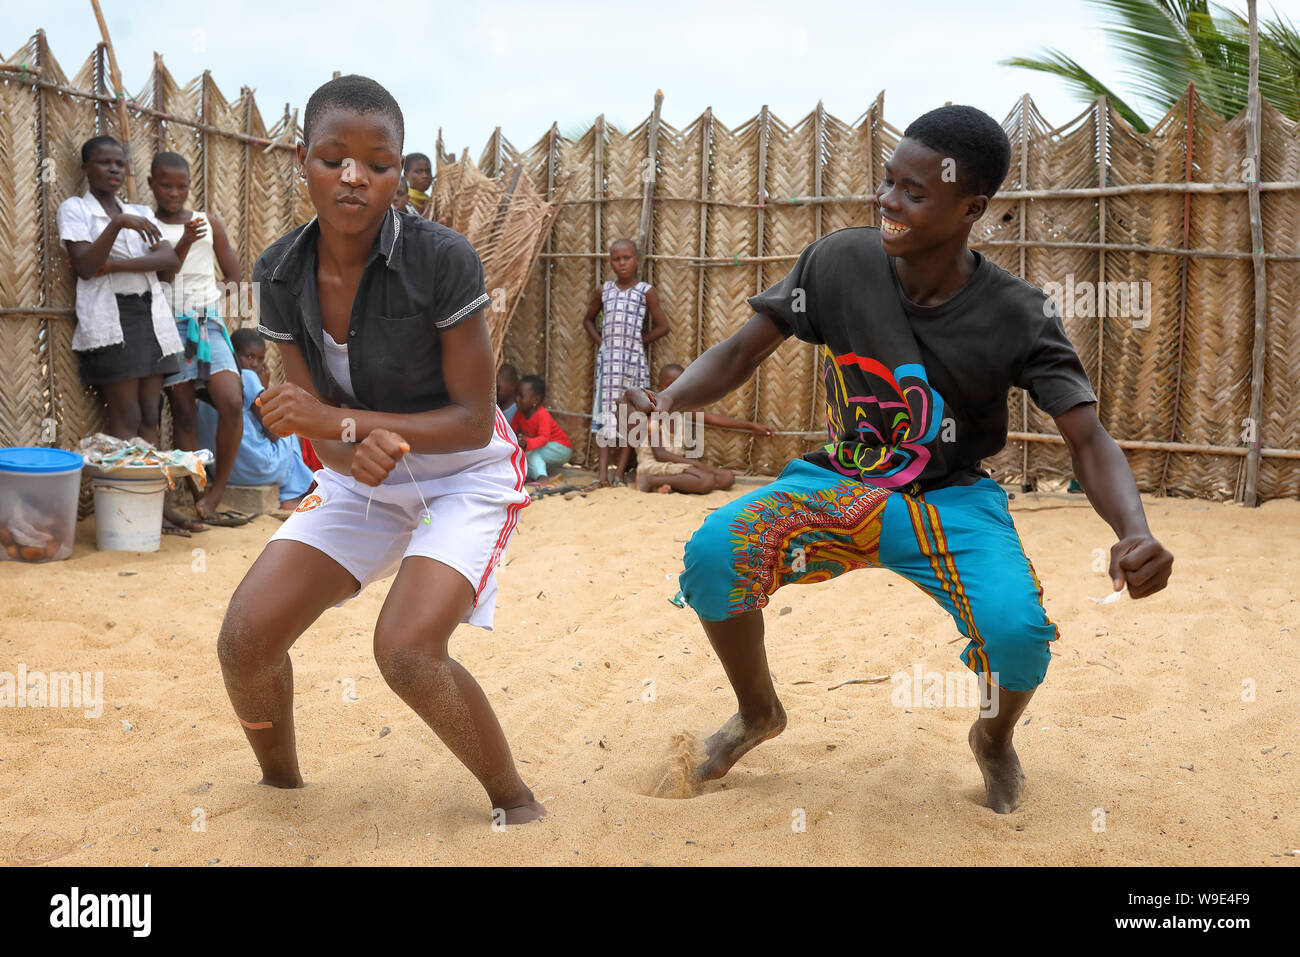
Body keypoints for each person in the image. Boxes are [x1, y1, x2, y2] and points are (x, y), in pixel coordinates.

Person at [623, 105, 1174, 814]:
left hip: (949, 498)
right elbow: (740, 350)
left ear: (971, 208)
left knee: (1018, 634)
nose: (887, 201)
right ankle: (758, 712)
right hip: (840, 482)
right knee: (713, 555)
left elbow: (1088, 438)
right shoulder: (838, 262)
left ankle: (995, 737)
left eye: (914, 192)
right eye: (888, 182)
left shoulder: (1018, 313)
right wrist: (669, 398)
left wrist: (1133, 529)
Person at [217, 75, 542, 825]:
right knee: (245, 637)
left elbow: (469, 418)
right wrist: (347, 440)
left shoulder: (443, 260)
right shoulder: (279, 273)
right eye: (334, 158)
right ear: (303, 159)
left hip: (465, 474)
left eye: (379, 163)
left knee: (404, 650)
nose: (355, 177)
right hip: (363, 474)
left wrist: (347, 426)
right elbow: (320, 435)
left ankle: (515, 803)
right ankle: (282, 792)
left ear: (401, 172)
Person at [57, 136, 184, 465]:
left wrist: (111, 265)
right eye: (103, 162)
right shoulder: (76, 209)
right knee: (126, 415)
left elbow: (168, 260)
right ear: (86, 168)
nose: (113, 169)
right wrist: (116, 225)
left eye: (118, 163)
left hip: (150, 315)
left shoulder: (139, 211)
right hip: (111, 318)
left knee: (149, 414)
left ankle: (153, 498)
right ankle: (125, 498)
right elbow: (85, 266)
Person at [149, 152, 248, 526]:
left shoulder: (210, 223)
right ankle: (199, 498)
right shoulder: (149, 226)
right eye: (165, 185)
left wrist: (209, 302)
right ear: (151, 185)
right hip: (169, 326)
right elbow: (161, 277)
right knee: (184, 414)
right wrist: (185, 242)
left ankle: (217, 490)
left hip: (207, 325)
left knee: (232, 401)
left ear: (190, 186)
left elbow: (236, 278)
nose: (174, 193)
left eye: (182, 186)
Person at [196, 329, 314, 512]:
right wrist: (264, 389)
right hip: (256, 470)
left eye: (260, 359)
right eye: (249, 357)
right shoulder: (246, 377)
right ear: (232, 355)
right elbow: (274, 433)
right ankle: (291, 495)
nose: (255, 364)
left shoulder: (212, 379)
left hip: (221, 471)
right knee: (287, 426)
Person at [582, 239, 669, 486]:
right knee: (605, 414)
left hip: (633, 362)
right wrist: (603, 342)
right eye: (616, 259)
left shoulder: (645, 291)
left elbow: (664, 326)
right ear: (610, 261)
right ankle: (601, 477)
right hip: (609, 364)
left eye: (626, 258)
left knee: (631, 416)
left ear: (637, 259)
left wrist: (638, 342)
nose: (621, 263)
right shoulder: (604, 290)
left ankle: (619, 474)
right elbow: (588, 319)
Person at [634, 363, 774, 494]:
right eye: (670, 386)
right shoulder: (653, 416)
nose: (675, 391)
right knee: (706, 480)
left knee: (727, 477)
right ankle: (650, 480)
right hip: (654, 466)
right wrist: (695, 464)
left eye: (679, 386)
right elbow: (660, 455)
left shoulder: (683, 412)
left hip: (676, 465)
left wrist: (751, 426)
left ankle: (668, 485)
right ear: (659, 388)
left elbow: (716, 419)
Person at [511, 374, 572, 483]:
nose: (517, 399)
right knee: (525, 455)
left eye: (521, 396)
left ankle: (542, 478)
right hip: (546, 449)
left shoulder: (542, 414)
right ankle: (531, 476)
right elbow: (511, 432)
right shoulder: (518, 414)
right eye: (516, 395)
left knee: (531, 453)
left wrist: (526, 443)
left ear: (535, 400)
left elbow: (544, 439)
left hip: (561, 448)